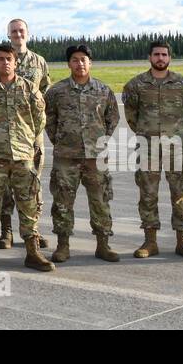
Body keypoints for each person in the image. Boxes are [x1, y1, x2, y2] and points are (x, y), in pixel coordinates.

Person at [0, 45, 51, 273]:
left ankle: (33, 253)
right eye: (1, 59)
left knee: (28, 203)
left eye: (9, 59)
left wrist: (25, 140)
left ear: (15, 63)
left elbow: (39, 119)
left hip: (23, 156)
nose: (5, 63)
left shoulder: (29, 89)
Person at [122, 40, 183, 259]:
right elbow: (131, 114)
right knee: (147, 193)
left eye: (164, 55)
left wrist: (182, 135)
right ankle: (150, 241)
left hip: (177, 147)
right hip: (148, 147)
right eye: (156, 54)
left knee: (180, 193)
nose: (160, 58)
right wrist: (145, 132)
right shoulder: (136, 85)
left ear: (169, 58)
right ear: (149, 57)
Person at [45, 44, 120, 263]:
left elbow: (112, 118)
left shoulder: (103, 90)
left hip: (96, 157)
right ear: (69, 63)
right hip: (66, 157)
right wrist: (61, 140)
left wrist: (98, 140)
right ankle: (63, 245)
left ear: (90, 62)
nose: (80, 63)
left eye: (84, 59)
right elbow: (49, 120)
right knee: (62, 202)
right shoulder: (57, 92)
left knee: (101, 201)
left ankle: (103, 244)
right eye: (75, 59)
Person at [0, 19, 50, 248]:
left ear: (27, 34)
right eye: (14, 31)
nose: (18, 34)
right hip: (0, 136)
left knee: (31, 185)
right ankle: (7, 232)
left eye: (21, 31)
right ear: (8, 34)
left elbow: (43, 98)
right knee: (1, 187)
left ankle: (33, 233)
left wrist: (33, 132)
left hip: (30, 136)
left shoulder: (39, 62)